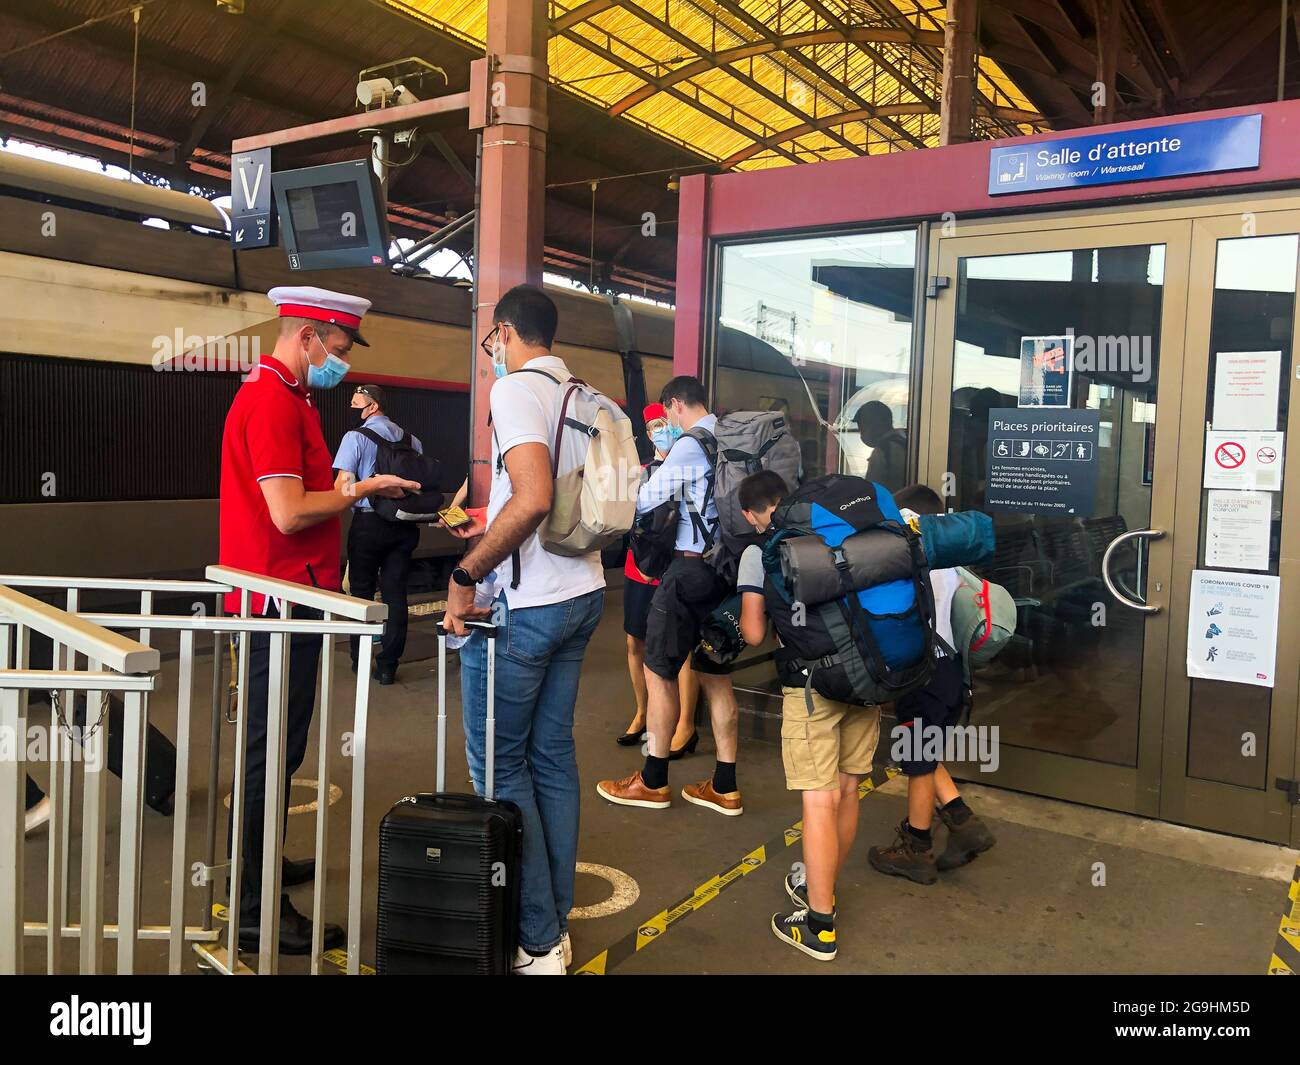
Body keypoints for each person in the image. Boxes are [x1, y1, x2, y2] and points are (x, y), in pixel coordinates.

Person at [219, 285, 419, 954]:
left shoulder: (287, 395)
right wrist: (359, 489)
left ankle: (259, 867)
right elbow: (285, 511)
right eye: (336, 347)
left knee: (278, 749)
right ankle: (252, 908)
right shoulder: (273, 401)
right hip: (276, 604)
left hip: (286, 597)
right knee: (269, 753)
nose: (342, 363)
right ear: (306, 336)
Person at [441, 284, 605, 976]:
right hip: (585, 591)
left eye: (491, 343)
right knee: (551, 759)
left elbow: (534, 498)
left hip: (529, 606)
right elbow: (547, 494)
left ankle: (537, 940)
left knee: (503, 766)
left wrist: (466, 570)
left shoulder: (513, 394)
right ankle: (552, 923)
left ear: (505, 333)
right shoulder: (583, 393)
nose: (492, 355)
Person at [734, 470, 879, 962]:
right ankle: (822, 886)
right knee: (847, 786)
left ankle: (819, 924)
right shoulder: (847, 528)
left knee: (818, 801)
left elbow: (753, 633)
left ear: (755, 513)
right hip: (867, 674)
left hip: (813, 685)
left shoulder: (762, 550)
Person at [596, 375, 742, 816]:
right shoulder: (731, 436)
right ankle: (724, 786)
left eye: (666, 414)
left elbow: (644, 500)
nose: (665, 423)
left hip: (689, 569)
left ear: (676, 404)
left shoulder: (690, 444)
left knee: (659, 670)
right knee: (716, 677)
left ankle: (653, 779)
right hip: (726, 570)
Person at [867, 483, 995, 885]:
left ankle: (917, 849)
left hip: (920, 674)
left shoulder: (909, 553)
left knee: (917, 762)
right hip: (950, 672)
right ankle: (962, 822)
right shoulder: (952, 561)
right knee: (924, 751)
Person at [618, 402, 700, 755]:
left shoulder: (688, 463)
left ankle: (685, 722)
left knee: (680, 647)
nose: (658, 430)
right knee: (634, 642)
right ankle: (642, 711)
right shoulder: (640, 470)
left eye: (663, 423)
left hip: (675, 565)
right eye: (652, 426)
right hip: (640, 565)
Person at [333, 383, 422, 685]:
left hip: (368, 525)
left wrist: (355, 489)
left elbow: (341, 489)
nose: (353, 412)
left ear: (372, 406)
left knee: (362, 594)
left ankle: (360, 661)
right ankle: (388, 666)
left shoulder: (355, 438)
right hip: (403, 523)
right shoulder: (413, 441)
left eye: (357, 406)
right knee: (396, 595)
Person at [856, 401, 908, 491]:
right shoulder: (908, 440)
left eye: (862, 427)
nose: (861, 433)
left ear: (874, 424)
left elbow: (873, 494)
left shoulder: (882, 452)